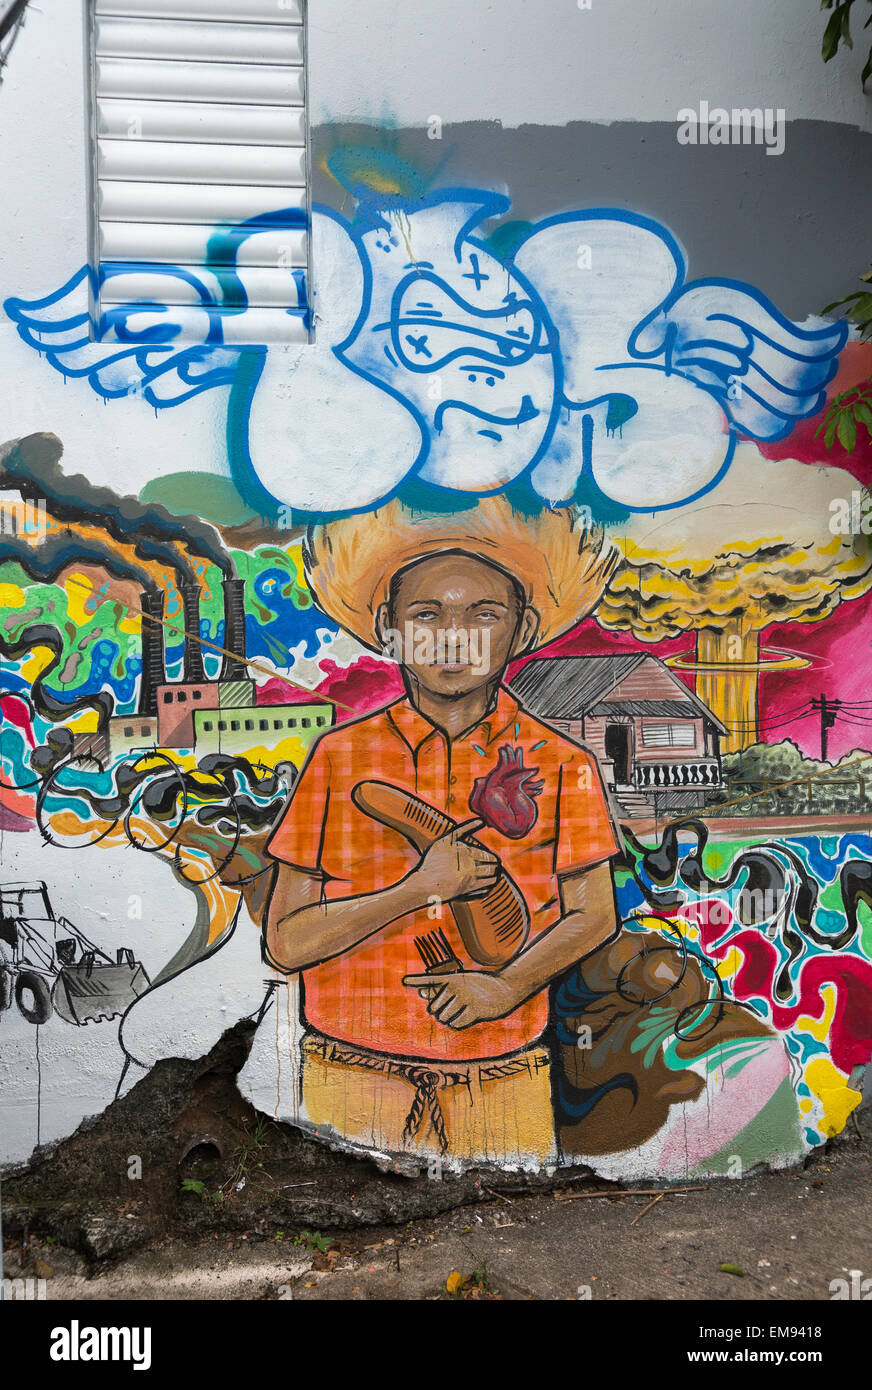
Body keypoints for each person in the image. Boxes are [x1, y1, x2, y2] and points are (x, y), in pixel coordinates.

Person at [264, 499, 621, 1167]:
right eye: (426, 615)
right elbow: (286, 942)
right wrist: (418, 889)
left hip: (505, 1073)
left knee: (515, 1246)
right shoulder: (339, 761)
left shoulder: (563, 764)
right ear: (388, 629)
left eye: (484, 615)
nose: (453, 638)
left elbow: (594, 914)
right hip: (351, 1072)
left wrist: (506, 987)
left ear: (524, 630)